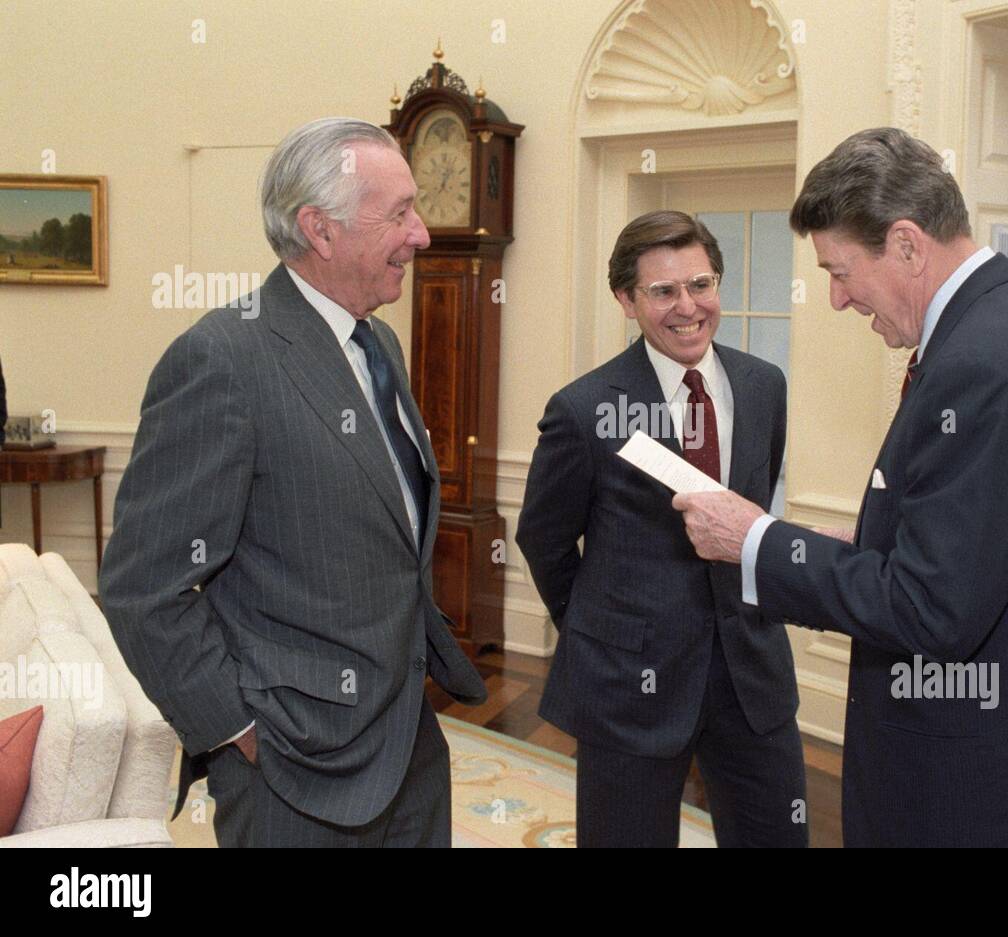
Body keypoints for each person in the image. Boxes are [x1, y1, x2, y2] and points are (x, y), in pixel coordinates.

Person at [672, 128, 1008, 847]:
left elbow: (931, 610)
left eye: (840, 270)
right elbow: (985, 542)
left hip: (984, 792)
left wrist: (755, 541)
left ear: (905, 244)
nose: (835, 299)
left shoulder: (981, 365)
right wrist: (872, 543)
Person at [99, 118, 486, 847]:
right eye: (400, 212)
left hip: (408, 742)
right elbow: (142, 586)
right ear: (321, 228)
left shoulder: (380, 343)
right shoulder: (221, 360)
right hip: (294, 767)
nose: (423, 234)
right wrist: (238, 730)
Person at [516, 210, 807, 847]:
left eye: (701, 285)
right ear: (626, 300)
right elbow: (543, 539)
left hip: (750, 674)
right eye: (663, 291)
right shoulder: (584, 409)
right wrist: (602, 631)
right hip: (630, 684)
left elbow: (751, 512)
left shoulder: (764, 387)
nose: (688, 307)